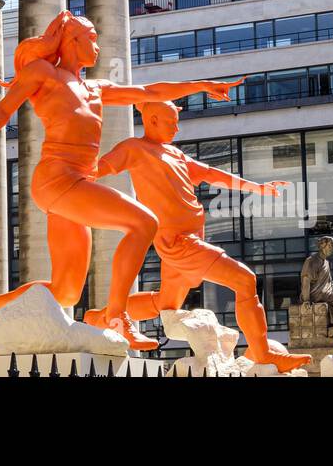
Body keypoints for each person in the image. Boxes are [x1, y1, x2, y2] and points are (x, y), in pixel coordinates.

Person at [0, 10, 242, 350]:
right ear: (71, 41)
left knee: (66, 291)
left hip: (74, 186)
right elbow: (7, 108)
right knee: (143, 223)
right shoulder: (43, 73)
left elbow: (149, 91)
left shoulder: (95, 89)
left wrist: (202, 86)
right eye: (91, 38)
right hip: (56, 179)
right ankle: (117, 316)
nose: (97, 46)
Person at [85, 101, 312, 373]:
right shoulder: (134, 149)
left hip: (189, 237)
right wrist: (70, 182)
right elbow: (101, 167)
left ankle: (99, 317)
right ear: (152, 120)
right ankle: (263, 354)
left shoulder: (175, 154)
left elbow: (209, 174)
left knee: (164, 303)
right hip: (179, 243)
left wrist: (257, 187)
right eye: (171, 122)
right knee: (245, 280)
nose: (176, 128)